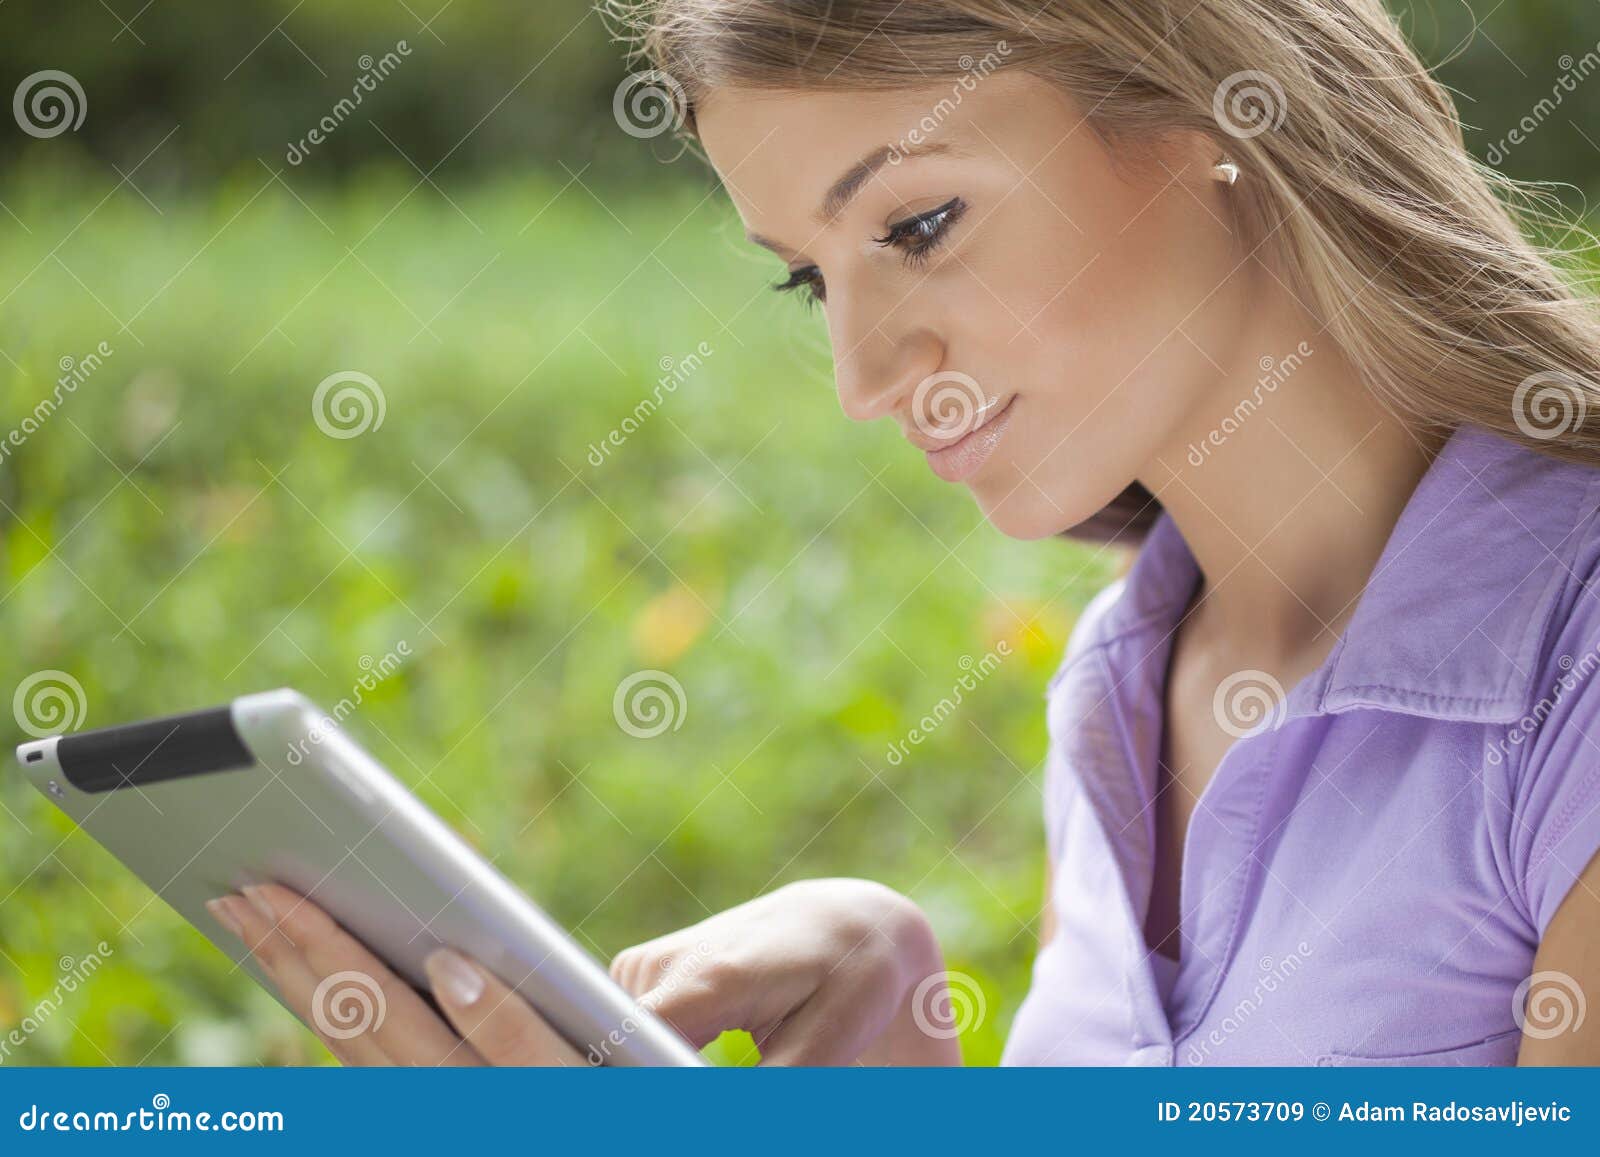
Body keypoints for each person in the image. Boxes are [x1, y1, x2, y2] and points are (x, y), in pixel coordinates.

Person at [208, 0, 1600, 1065]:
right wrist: (897, 1049)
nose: (864, 378)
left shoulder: (1571, 669)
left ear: (1204, 102)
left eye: (921, 224)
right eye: (811, 283)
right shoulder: (1127, 680)